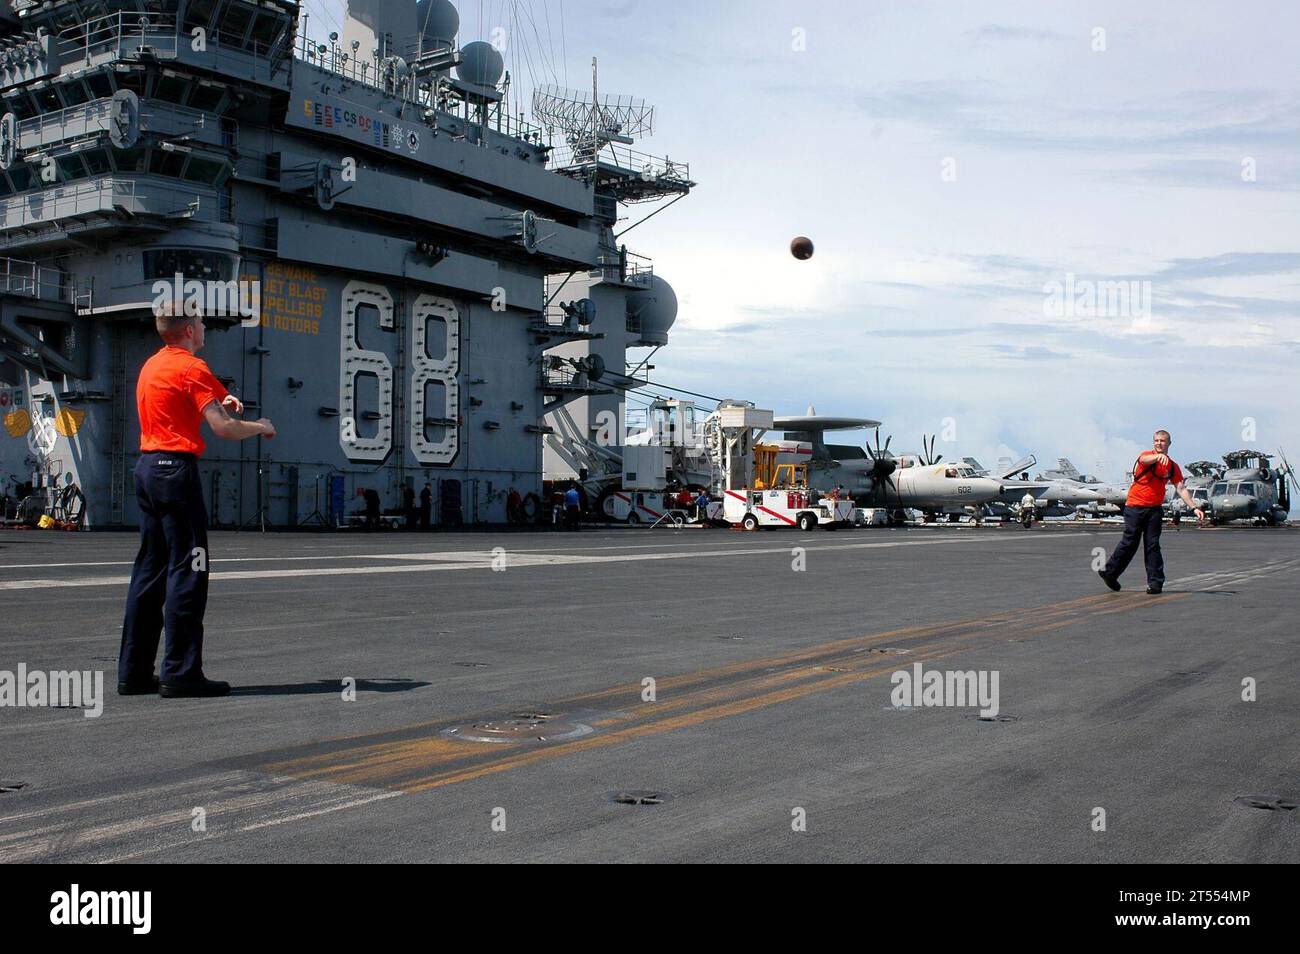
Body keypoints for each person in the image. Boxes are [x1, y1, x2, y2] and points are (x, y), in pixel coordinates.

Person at [119, 301, 275, 698]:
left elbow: (189, 398)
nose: (204, 327)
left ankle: (133, 674)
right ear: (189, 330)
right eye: (201, 322)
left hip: (147, 470)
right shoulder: (192, 367)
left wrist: (225, 396)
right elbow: (223, 428)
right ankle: (181, 672)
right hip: (176, 472)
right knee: (190, 569)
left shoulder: (152, 365)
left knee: (149, 572)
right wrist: (259, 426)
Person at [1099, 429, 1205, 595]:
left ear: (1169, 443)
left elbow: (1181, 488)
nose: (1159, 443)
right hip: (1135, 507)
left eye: (1162, 441)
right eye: (1156, 441)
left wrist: (1194, 507)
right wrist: (1157, 456)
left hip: (1154, 509)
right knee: (1130, 542)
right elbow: (1143, 459)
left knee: (1152, 545)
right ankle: (1109, 572)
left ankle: (1155, 583)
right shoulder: (1147, 456)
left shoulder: (1172, 466)